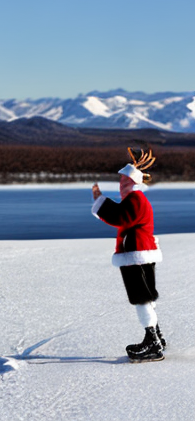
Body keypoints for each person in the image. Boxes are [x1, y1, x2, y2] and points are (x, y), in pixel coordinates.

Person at [92, 148, 165, 362]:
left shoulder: (135, 199)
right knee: (145, 296)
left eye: (124, 181)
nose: (120, 185)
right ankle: (156, 336)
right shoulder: (136, 199)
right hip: (139, 253)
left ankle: (153, 343)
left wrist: (99, 200)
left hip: (136, 254)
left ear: (133, 182)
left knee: (141, 297)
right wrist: (101, 202)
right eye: (120, 181)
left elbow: (120, 218)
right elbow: (120, 215)